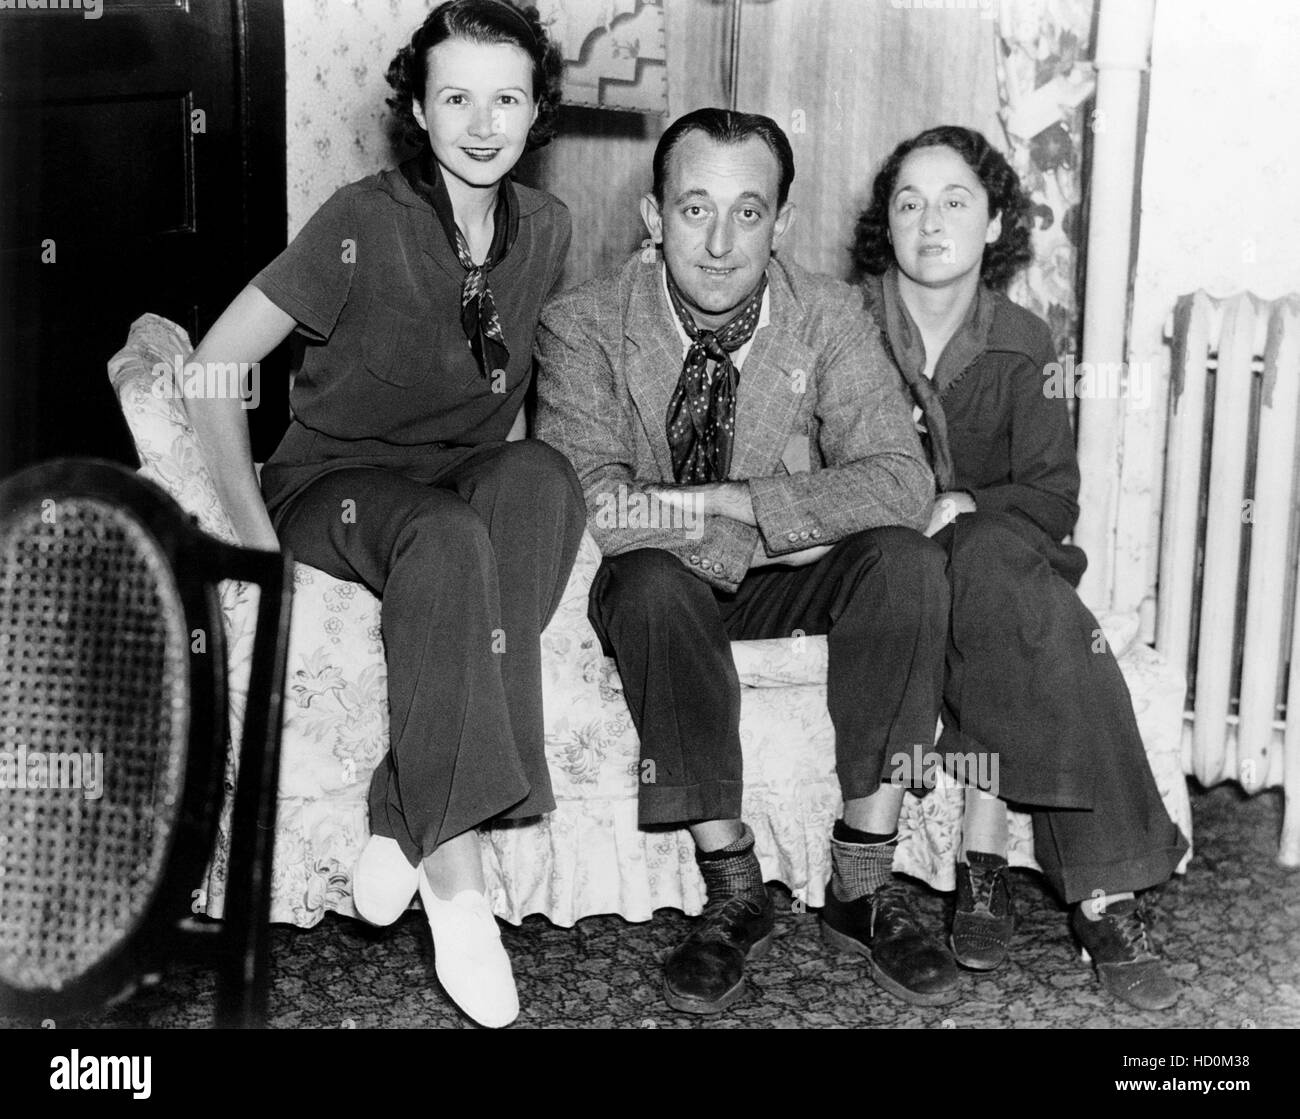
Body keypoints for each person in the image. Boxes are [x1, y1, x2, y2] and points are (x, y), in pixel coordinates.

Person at [183, 0, 585, 1028]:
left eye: (507, 97)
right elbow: (215, 368)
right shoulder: (360, 219)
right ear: (416, 105)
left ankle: (400, 807)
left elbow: (532, 399)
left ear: (538, 110)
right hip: (333, 485)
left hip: (464, 473)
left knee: (542, 482)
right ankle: (457, 893)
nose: (482, 123)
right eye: (456, 97)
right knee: (446, 538)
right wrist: (252, 535)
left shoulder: (547, 229)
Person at [536, 108, 962, 1014]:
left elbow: (899, 479)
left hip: (782, 576)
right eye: (694, 210)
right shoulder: (581, 323)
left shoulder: (830, 312)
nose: (721, 244)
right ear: (653, 217)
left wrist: (739, 503)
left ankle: (862, 882)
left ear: (784, 224)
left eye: (748, 213)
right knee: (650, 583)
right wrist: (790, 522)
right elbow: (603, 501)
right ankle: (734, 889)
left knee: (905, 562)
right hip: (666, 579)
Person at [852, 125, 1190, 1011]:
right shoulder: (840, 326)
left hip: (994, 551)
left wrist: (965, 505)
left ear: (995, 218)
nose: (930, 222)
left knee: (998, 559)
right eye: (909, 201)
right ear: (885, 222)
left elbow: (1051, 500)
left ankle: (993, 860)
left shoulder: (1027, 340)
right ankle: (1088, 891)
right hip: (878, 558)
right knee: (1003, 583)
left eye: (956, 200)